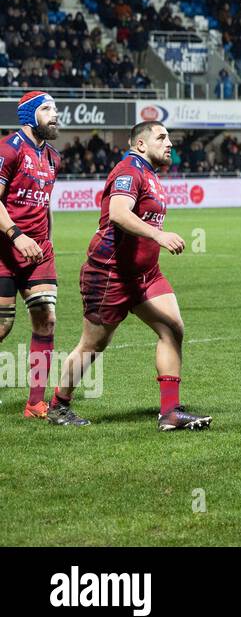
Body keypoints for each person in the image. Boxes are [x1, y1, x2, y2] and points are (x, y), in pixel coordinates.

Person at [48, 121, 212, 430]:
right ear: (140, 144)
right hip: (110, 274)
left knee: (173, 329)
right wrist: (158, 236)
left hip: (146, 274)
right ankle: (59, 405)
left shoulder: (150, 174)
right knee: (92, 345)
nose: (170, 143)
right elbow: (119, 214)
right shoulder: (129, 170)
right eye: (161, 137)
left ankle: (170, 413)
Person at [0, 91, 61, 418]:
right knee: (2, 327)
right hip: (5, 249)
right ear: (29, 115)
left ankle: (35, 403)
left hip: (38, 250)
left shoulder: (54, 157)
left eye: (55, 109)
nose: (55, 114)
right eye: (48, 109)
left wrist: (46, 241)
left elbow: (45, 204)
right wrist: (15, 234)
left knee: (46, 319)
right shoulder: (8, 149)